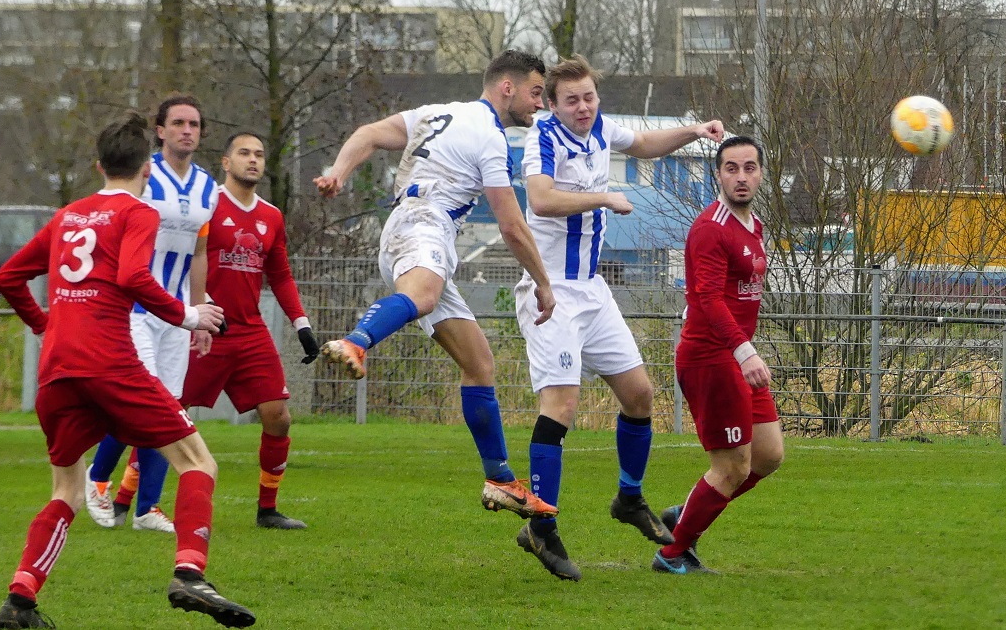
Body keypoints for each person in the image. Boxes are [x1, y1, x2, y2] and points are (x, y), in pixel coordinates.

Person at [0, 112, 254, 628]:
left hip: (58, 370)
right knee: (199, 462)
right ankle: (190, 575)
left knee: (65, 490)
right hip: (110, 362)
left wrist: (45, 327)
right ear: (147, 170)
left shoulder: (67, 215)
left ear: (98, 165)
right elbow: (134, 275)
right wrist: (189, 314)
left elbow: (8, 276)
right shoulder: (139, 212)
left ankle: (20, 599)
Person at [312, 49, 558, 520]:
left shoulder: (438, 113)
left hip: (407, 226)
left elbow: (368, 134)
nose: (540, 104)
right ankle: (355, 341)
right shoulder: (489, 135)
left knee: (479, 362)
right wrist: (543, 283)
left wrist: (338, 173)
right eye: (535, 92)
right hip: (425, 223)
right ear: (507, 87)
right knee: (423, 298)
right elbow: (511, 226)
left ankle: (500, 479)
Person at [512, 55, 726, 581]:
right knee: (561, 403)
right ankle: (540, 527)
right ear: (553, 104)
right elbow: (539, 201)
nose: (582, 107)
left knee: (639, 395)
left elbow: (645, 144)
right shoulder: (542, 136)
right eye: (571, 100)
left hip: (593, 290)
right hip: (549, 291)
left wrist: (695, 131)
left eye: (589, 97)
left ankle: (628, 499)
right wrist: (604, 195)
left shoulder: (601, 128)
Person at [83, 94, 218, 534]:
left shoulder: (206, 187)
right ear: (160, 131)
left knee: (169, 406)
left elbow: (199, 251)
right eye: (178, 123)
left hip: (176, 312)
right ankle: (98, 478)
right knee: (142, 399)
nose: (187, 131)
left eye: (194, 124)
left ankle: (147, 509)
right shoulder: (143, 176)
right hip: (136, 308)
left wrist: (197, 313)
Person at [652, 135, 784, 575]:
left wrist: (743, 351)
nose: (741, 176)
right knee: (730, 466)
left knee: (767, 457)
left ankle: (689, 511)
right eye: (732, 168)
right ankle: (671, 554)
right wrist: (744, 351)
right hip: (712, 357)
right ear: (718, 175)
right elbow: (707, 298)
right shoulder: (710, 228)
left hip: (735, 356)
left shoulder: (754, 225)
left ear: (762, 173)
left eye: (749, 167)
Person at [178, 132, 321, 529]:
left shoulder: (271, 216)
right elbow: (187, 261)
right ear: (226, 162)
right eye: (244, 153)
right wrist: (197, 309)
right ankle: (130, 500)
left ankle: (268, 509)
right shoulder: (206, 207)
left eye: (259, 154)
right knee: (169, 414)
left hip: (250, 332)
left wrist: (302, 325)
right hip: (205, 327)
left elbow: (281, 275)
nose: (253, 160)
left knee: (278, 417)